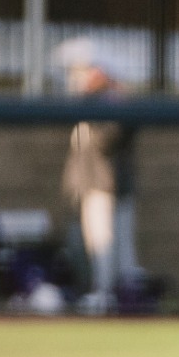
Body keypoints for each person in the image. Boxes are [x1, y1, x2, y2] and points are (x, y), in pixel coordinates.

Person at [57, 37, 141, 313]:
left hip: (107, 184)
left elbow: (109, 139)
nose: (82, 78)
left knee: (110, 245)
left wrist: (92, 110)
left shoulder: (114, 101)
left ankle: (110, 296)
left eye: (88, 71)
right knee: (93, 243)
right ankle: (101, 292)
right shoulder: (86, 102)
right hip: (88, 185)